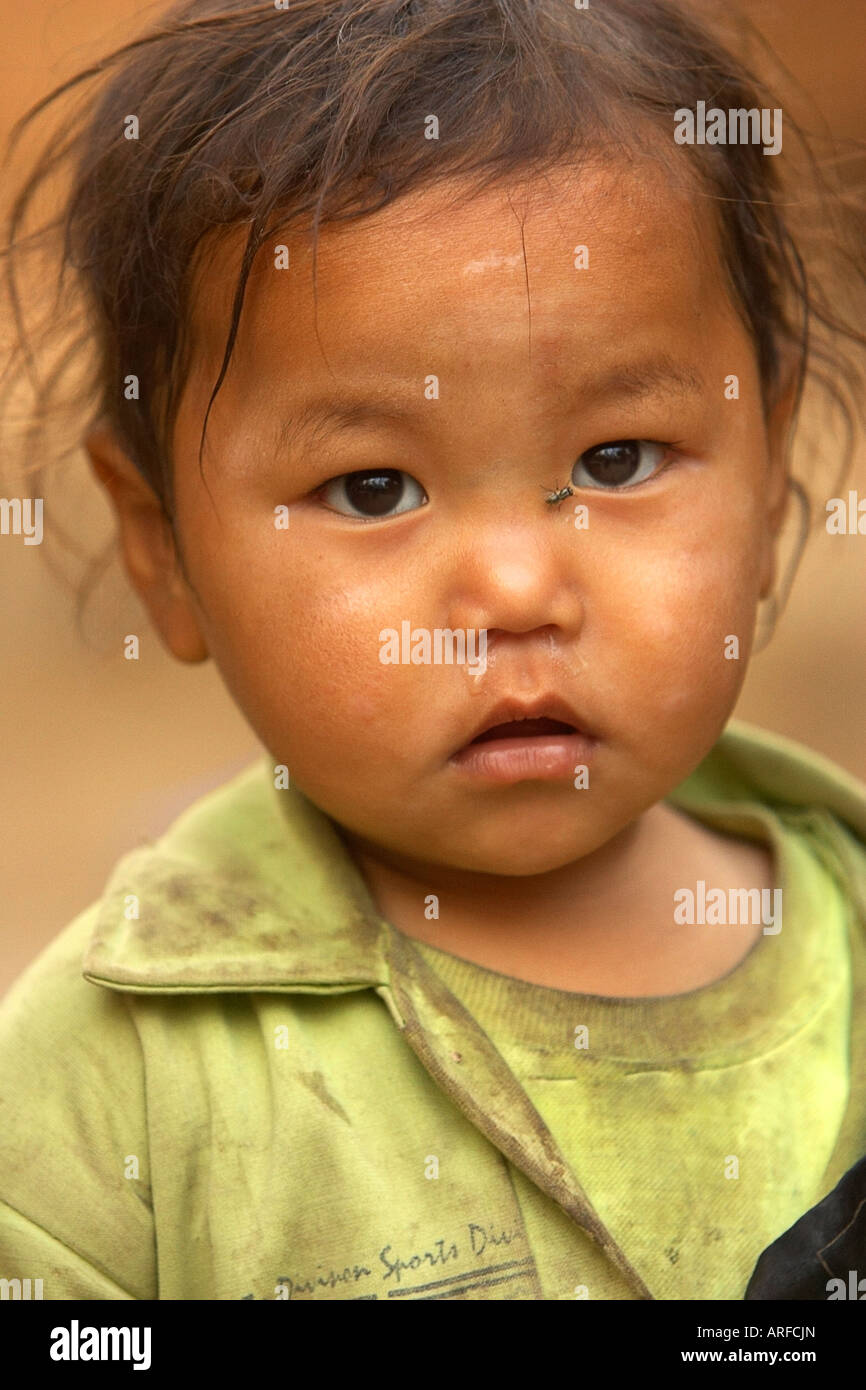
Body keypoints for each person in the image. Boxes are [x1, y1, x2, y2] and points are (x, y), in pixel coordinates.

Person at [1, 0, 865, 1301]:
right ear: (161, 547)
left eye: (614, 460)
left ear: (762, 474)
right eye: (369, 489)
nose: (518, 588)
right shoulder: (107, 1081)